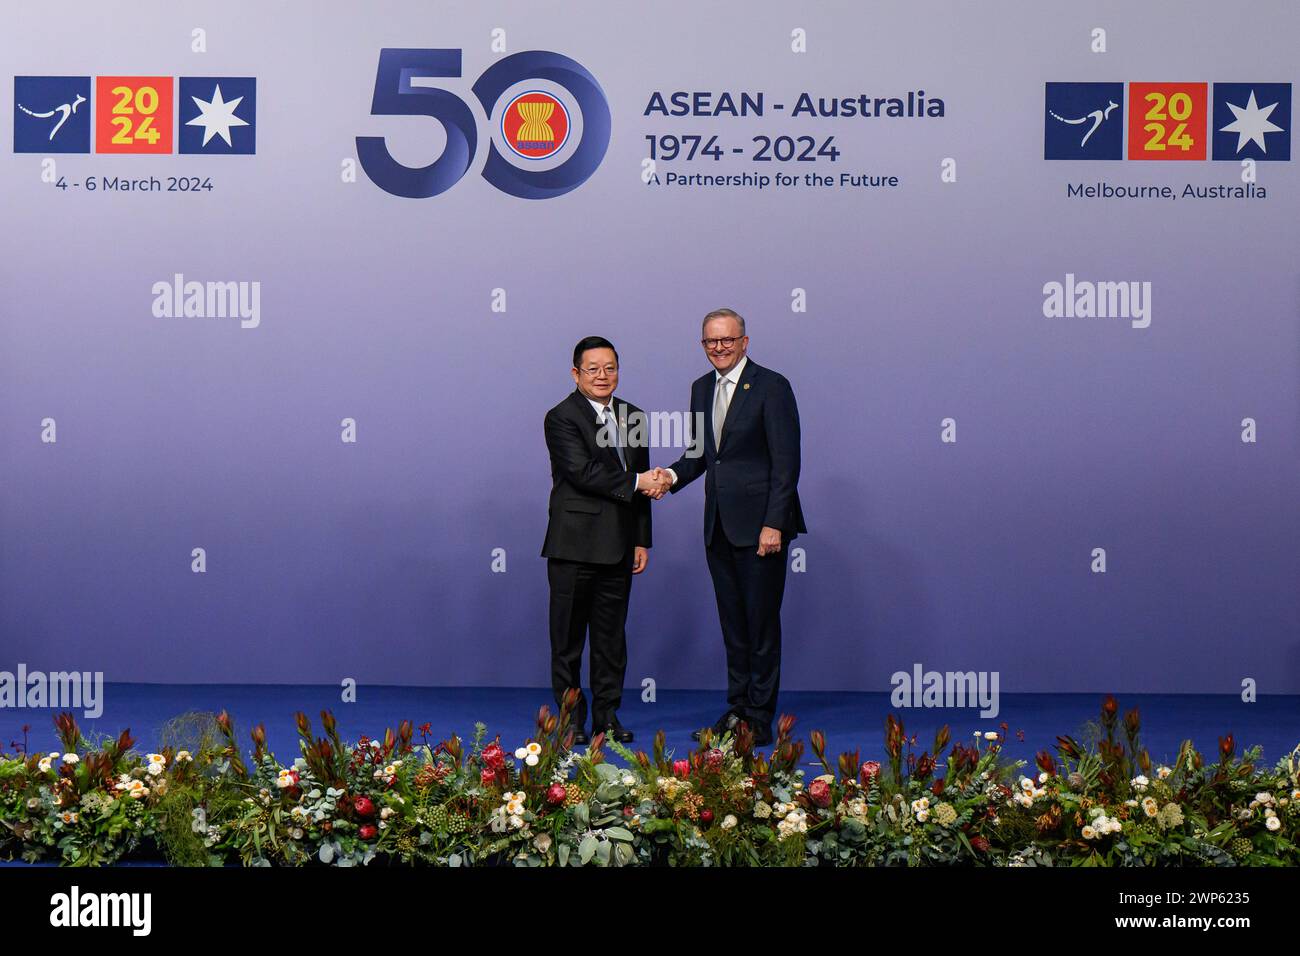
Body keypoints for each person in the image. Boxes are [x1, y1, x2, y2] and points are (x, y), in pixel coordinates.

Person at [654, 309, 805, 746]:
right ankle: (738, 708)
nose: (718, 348)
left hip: (761, 530)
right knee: (734, 625)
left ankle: (759, 717)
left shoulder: (772, 386)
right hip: (718, 527)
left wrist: (773, 523)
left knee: (760, 624)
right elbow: (701, 455)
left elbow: (786, 462)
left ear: (744, 341)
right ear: (703, 344)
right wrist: (669, 477)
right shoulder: (701, 389)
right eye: (710, 342)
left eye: (727, 340)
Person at [542, 336, 670, 744]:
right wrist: (638, 481)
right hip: (573, 546)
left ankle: (607, 718)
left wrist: (641, 539)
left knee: (611, 641)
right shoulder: (561, 417)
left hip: (619, 546)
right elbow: (583, 473)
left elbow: (643, 486)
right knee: (568, 641)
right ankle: (569, 720)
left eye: (610, 367)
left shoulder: (633, 416)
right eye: (593, 368)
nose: (602, 375)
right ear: (576, 373)